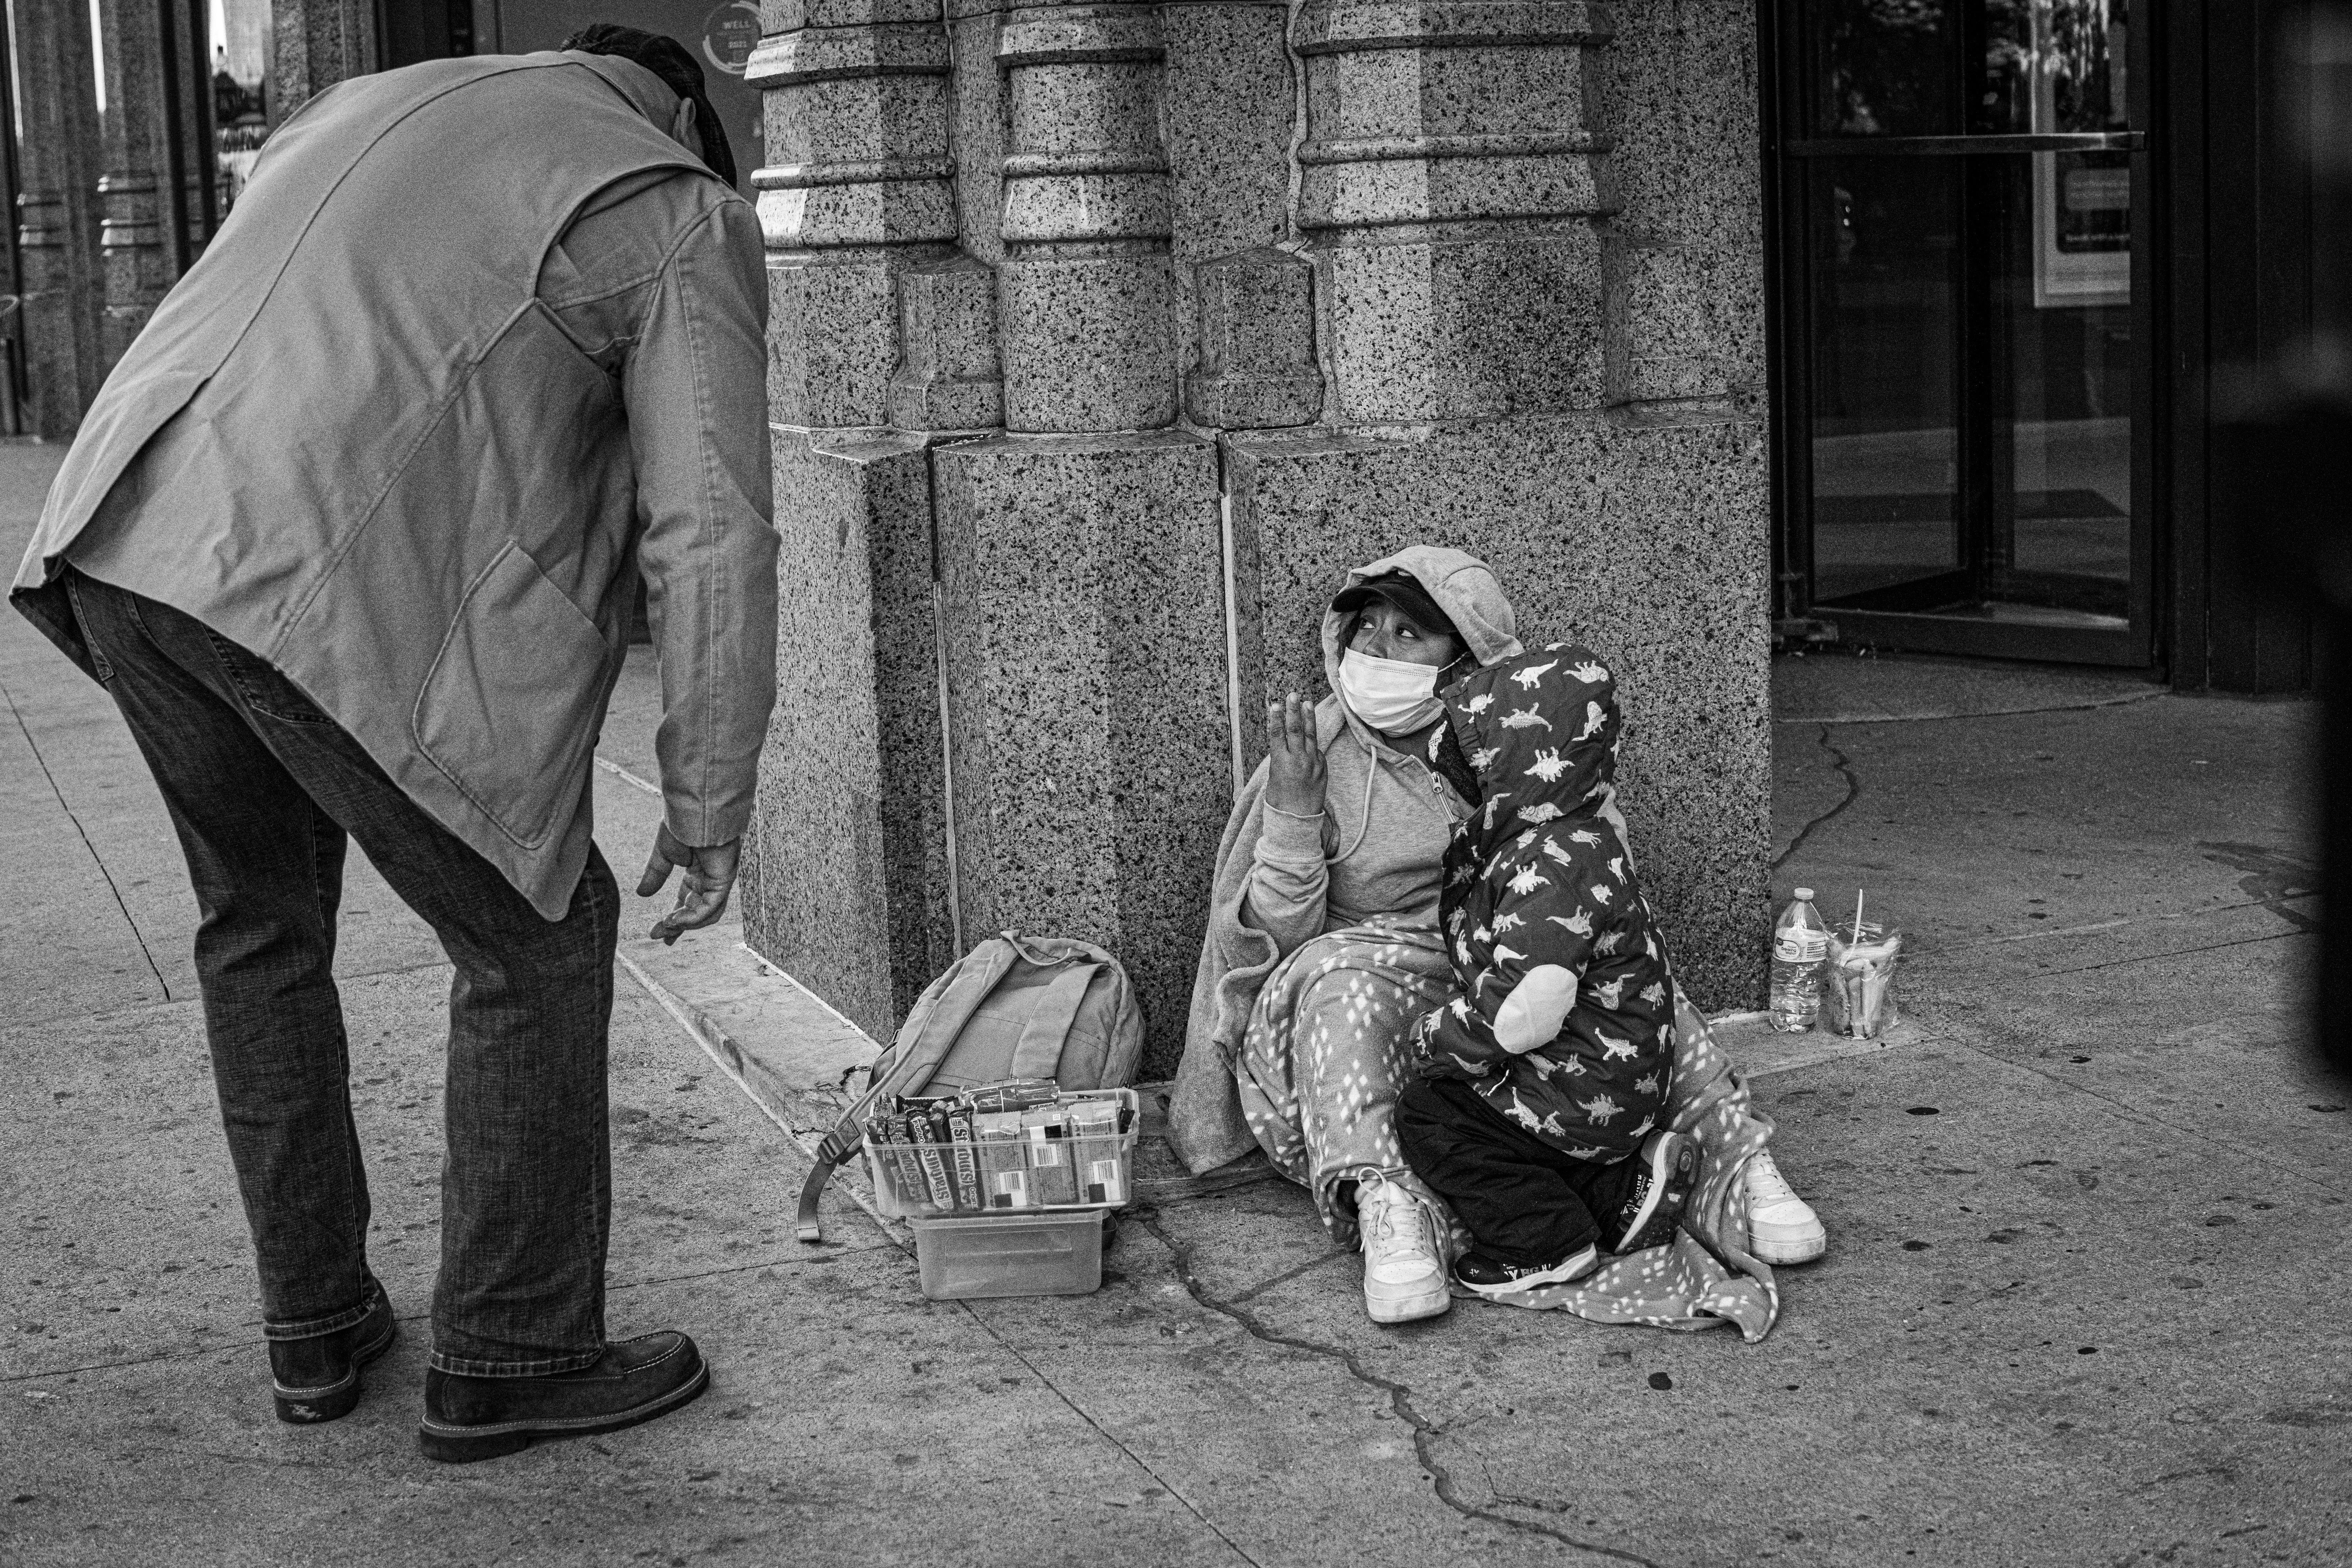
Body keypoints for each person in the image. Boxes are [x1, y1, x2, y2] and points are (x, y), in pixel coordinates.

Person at [9, 29, 775, 1462]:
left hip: (127, 533)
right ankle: (515, 1350)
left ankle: (314, 1326)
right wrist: (707, 793)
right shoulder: (674, 204)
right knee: (539, 933)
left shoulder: (365, 103)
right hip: (300, 576)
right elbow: (711, 526)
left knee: (258, 926)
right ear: (683, 115)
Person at [1169, 548, 1826, 1329]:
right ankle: (1391, 1205)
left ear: (1465, 657)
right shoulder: (1317, 748)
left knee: (1632, 970)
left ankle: (1736, 1160)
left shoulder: (1533, 745)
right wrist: (1293, 810)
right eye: (1367, 626)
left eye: (1407, 633)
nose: (1375, 649)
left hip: (1510, 967)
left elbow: (1598, 889)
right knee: (1341, 990)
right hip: (1373, 972)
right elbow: (1274, 942)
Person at [1397, 642, 1699, 1297]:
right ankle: (1619, 1194)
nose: (1445, 797)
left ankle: (1541, 1241)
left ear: (1502, 781)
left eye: (1455, 783)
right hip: (1617, 1083)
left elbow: (1525, 1011)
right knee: (1522, 1124)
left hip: (1582, 1083)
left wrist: (1434, 1039)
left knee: (1435, 1115)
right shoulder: (1583, 833)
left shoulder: (1547, 865)